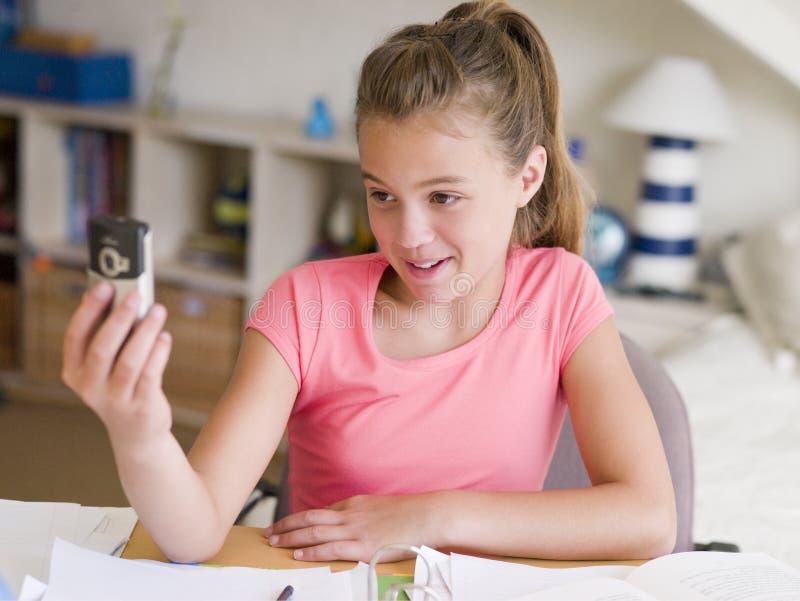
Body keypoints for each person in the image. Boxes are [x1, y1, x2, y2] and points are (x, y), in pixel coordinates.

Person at [62, 0, 676, 565]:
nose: (408, 235)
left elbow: (649, 518)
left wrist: (427, 516)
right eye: (381, 193)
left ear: (527, 178)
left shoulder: (563, 295)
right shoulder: (305, 308)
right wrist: (138, 430)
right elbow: (191, 535)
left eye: (443, 196)